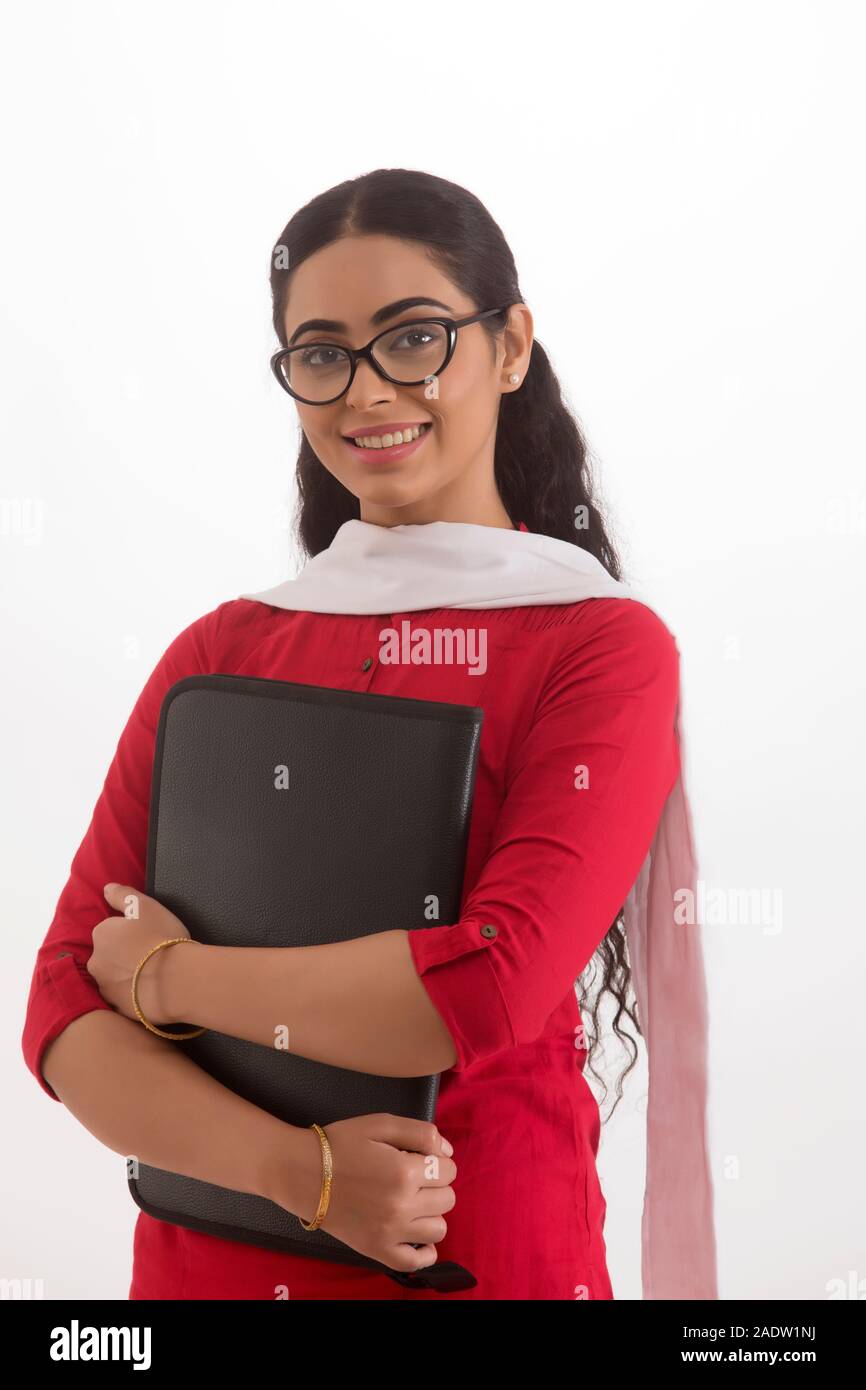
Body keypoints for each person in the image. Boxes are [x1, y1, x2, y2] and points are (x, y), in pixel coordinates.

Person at [21, 168, 716, 1301]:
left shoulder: (597, 649)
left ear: (509, 346)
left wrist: (169, 977)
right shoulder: (221, 650)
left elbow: (483, 986)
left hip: (474, 1258)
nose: (366, 389)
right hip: (212, 1268)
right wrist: (305, 1173)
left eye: (414, 338)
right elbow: (62, 1007)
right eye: (321, 352)